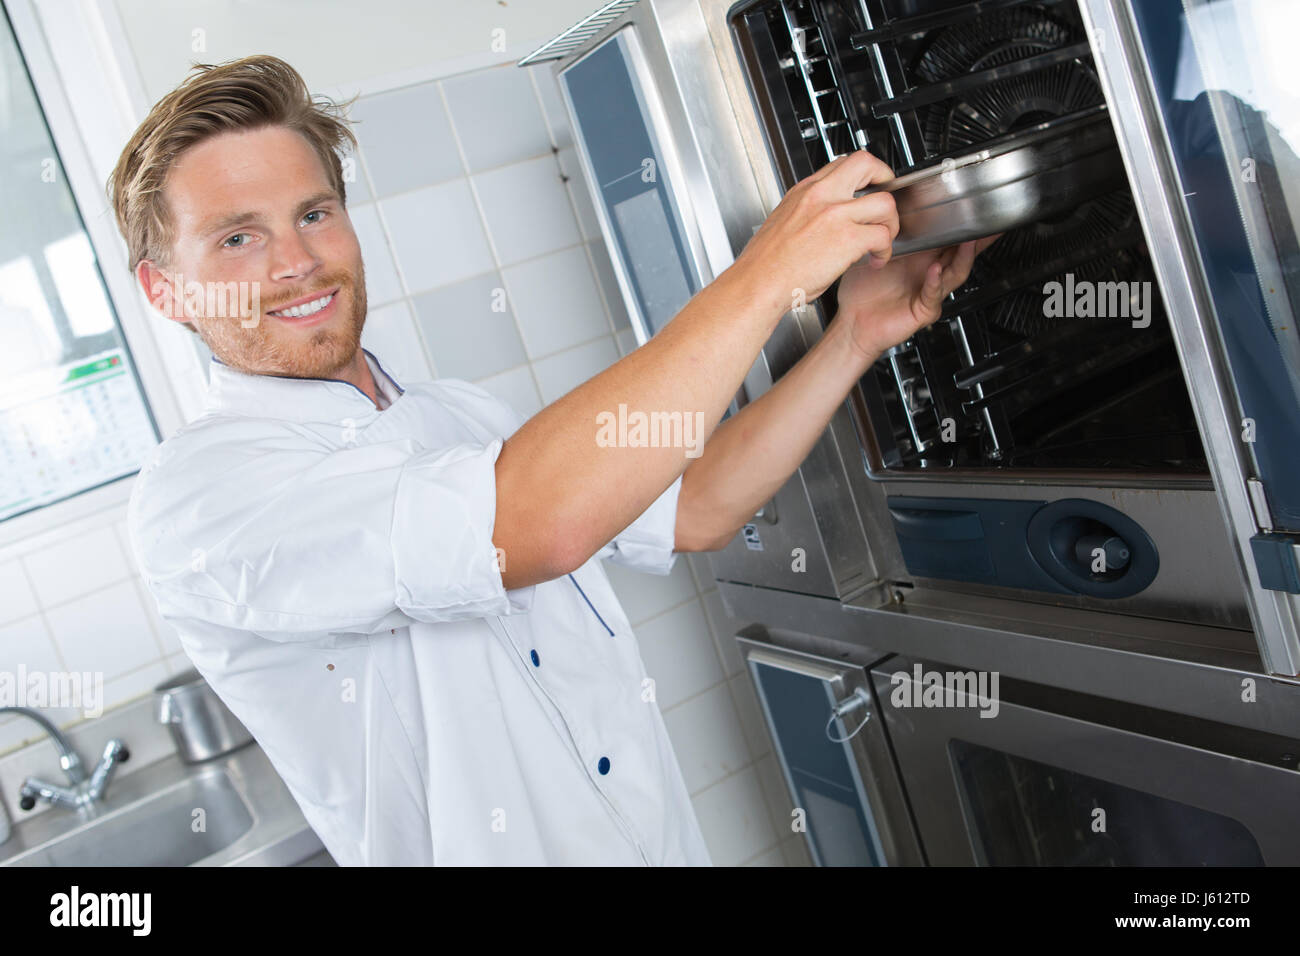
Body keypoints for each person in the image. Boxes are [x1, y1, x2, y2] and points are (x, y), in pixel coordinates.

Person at [113, 54, 988, 866]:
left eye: (313, 215)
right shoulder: (198, 498)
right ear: (165, 290)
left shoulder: (458, 415)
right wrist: (766, 275)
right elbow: (538, 524)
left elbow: (697, 506)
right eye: (237, 239)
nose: (297, 262)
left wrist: (853, 335)